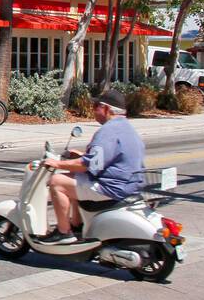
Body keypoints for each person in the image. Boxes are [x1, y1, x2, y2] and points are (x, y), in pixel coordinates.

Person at [40, 88, 146, 243]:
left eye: (96, 106)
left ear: (107, 109)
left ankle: (63, 233)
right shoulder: (128, 129)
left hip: (111, 187)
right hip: (129, 184)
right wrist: (83, 156)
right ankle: (77, 224)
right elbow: (108, 159)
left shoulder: (108, 131)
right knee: (75, 179)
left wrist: (57, 163)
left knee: (57, 182)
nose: (94, 110)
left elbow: (86, 166)